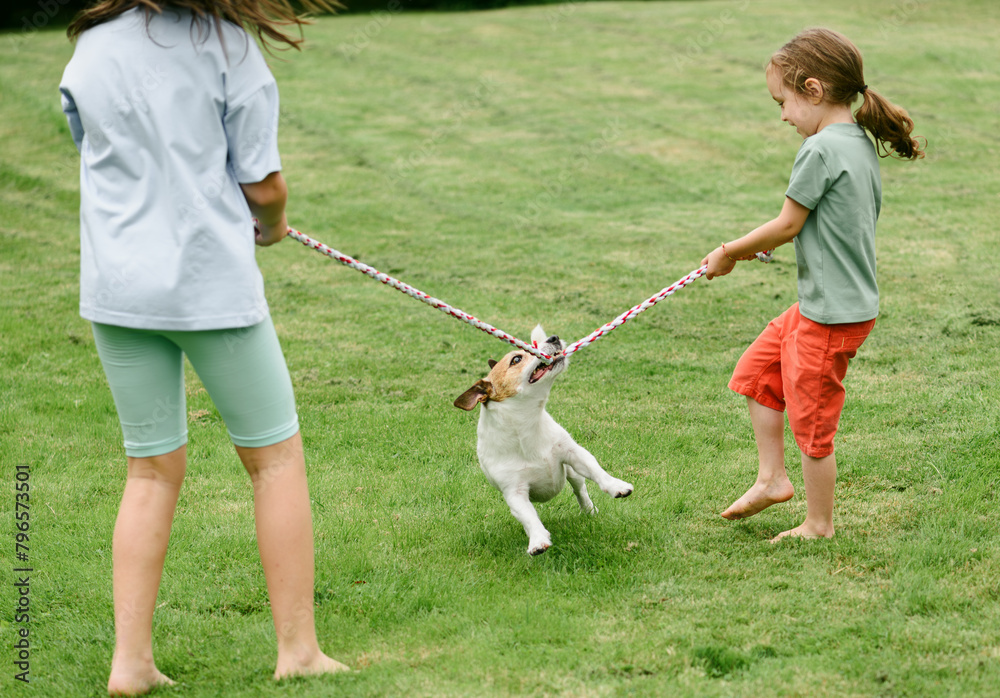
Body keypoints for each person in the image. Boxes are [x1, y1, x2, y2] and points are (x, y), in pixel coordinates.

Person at [60, 1, 345, 694]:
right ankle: (299, 651)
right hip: (208, 289)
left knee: (150, 470)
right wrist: (273, 223)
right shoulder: (227, 45)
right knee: (275, 461)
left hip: (119, 292)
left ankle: (129, 666)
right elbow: (264, 184)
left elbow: (98, 151)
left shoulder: (89, 48)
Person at [701, 28, 923, 542]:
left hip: (831, 315)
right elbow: (819, 219)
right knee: (758, 372)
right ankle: (771, 478)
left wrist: (729, 251)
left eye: (783, 101)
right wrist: (771, 243)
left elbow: (787, 223)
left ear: (814, 90)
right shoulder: (855, 143)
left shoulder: (820, 149)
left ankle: (818, 525)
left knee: (813, 425)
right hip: (826, 306)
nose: (782, 115)